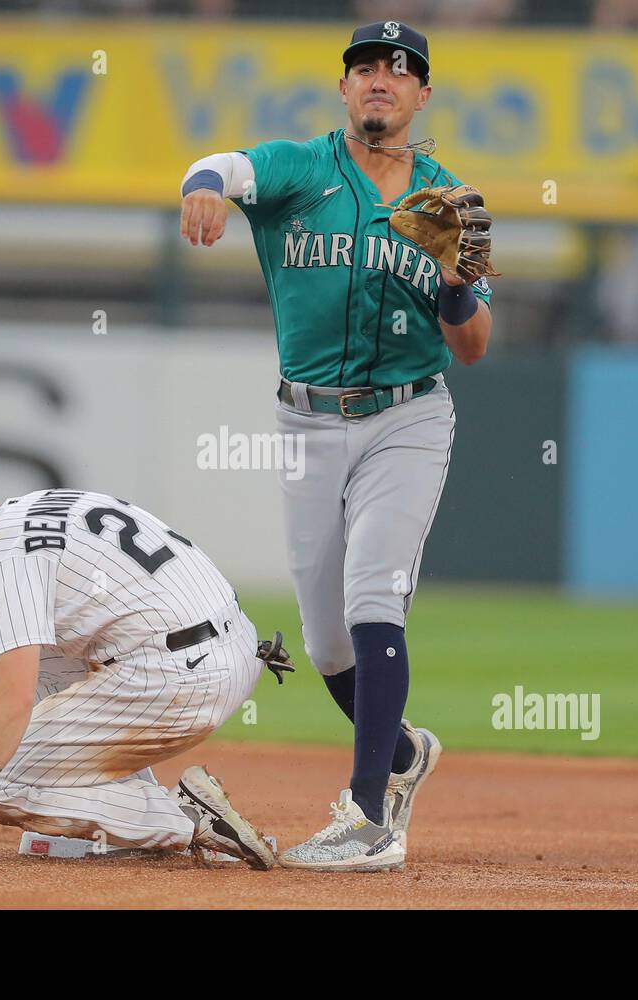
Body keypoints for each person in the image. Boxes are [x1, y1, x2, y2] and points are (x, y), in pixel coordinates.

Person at [177, 20, 494, 871]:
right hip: (308, 421)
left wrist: (458, 285)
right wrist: (202, 187)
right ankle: (400, 755)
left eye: (401, 69)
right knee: (324, 647)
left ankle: (368, 818)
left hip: (408, 417)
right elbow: (223, 167)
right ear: (345, 87)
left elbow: (472, 347)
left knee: (373, 594)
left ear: (423, 94)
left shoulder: (445, 199)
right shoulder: (299, 169)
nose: (381, 78)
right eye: (366, 66)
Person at [0, 460, 286, 869]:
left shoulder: (1, 561)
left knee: (1, 785)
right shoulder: (43, 505)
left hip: (179, 676)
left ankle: (187, 818)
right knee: (47, 658)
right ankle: (118, 801)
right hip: (234, 645)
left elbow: (8, 696)